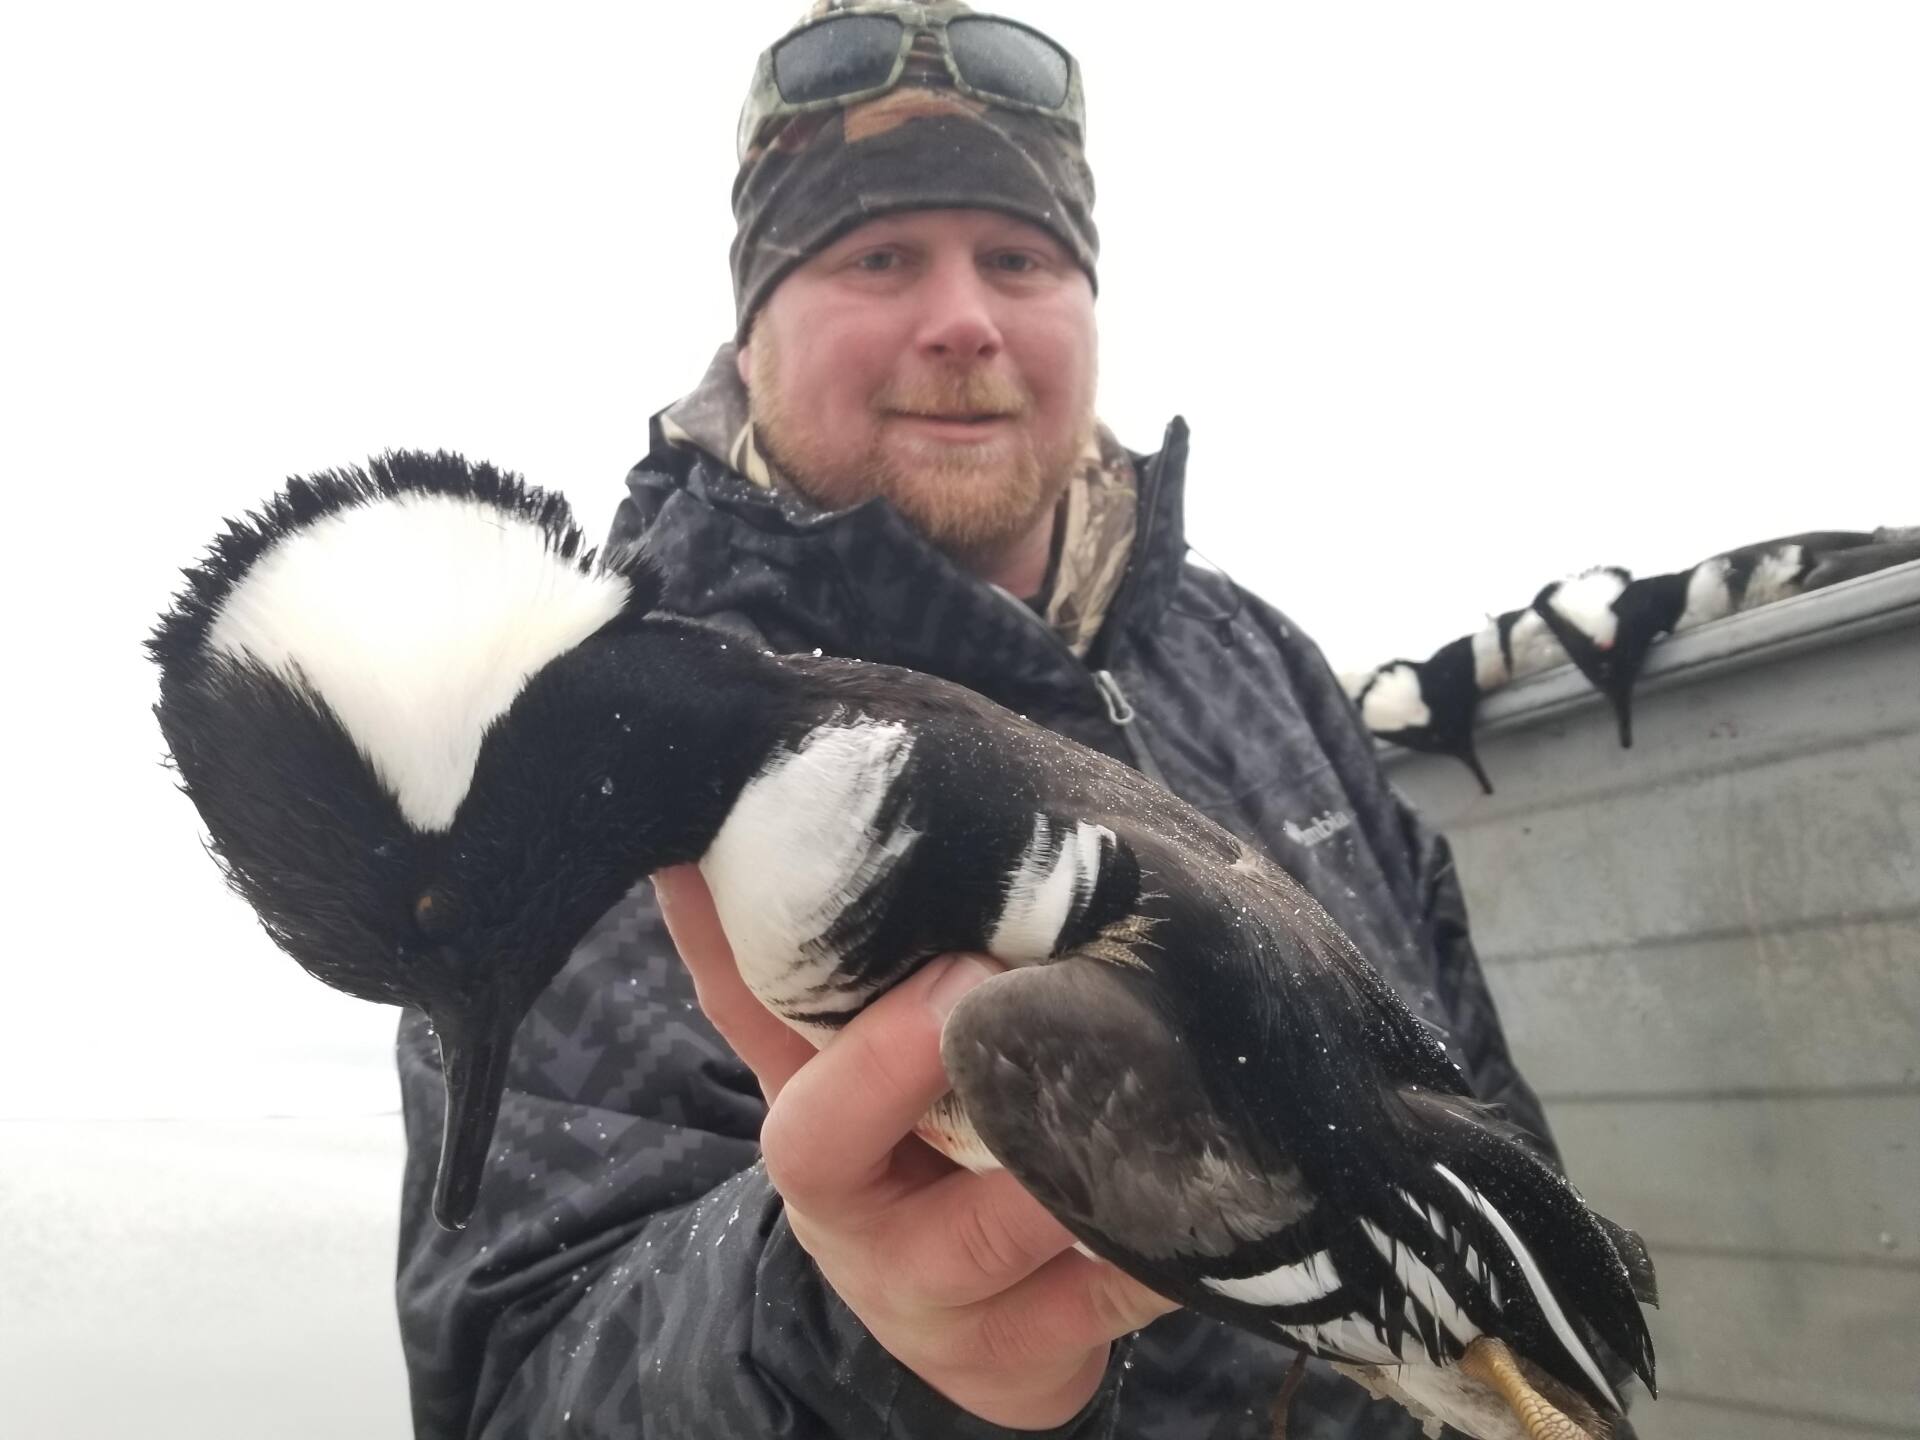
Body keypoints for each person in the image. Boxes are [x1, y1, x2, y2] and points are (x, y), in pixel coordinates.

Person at [394, 4, 1567, 1436]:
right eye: (878, 257)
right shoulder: (598, 771)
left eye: (1017, 259)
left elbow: (1476, 1111)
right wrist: (849, 1325)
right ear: (752, 326)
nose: (964, 319)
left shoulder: (1258, 659)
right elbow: (520, 1386)